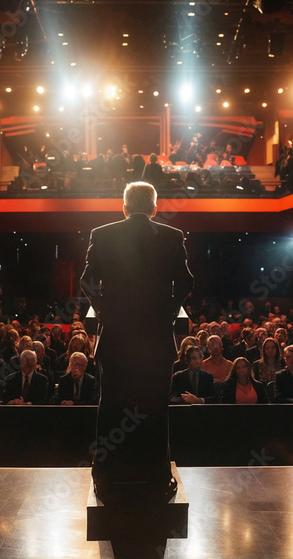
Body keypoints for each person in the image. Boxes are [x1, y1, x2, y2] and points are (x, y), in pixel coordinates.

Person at [80, 180, 193, 501]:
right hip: (156, 340)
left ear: (124, 207)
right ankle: (155, 476)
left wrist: (104, 310)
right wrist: (169, 310)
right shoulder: (172, 236)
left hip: (115, 339)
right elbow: (186, 282)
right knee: (155, 407)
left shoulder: (102, 234)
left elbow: (87, 281)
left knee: (112, 405)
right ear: (155, 208)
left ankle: (107, 476)